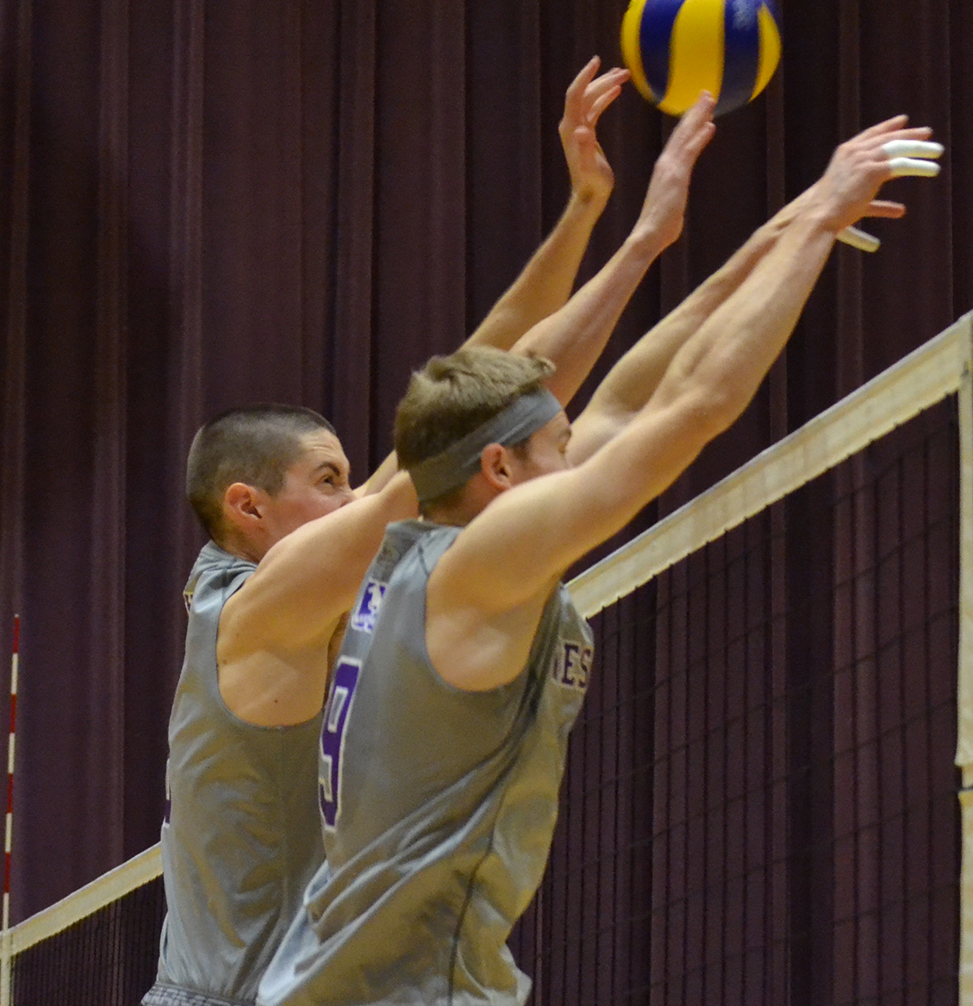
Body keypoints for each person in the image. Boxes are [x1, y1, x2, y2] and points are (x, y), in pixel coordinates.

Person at [256, 107, 940, 1006]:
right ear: (497, 469)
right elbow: (691, 408)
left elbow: (637, 391)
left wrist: (788, 220)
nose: (576, 454)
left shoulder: (416, 554)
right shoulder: (478, 561)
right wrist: (813, 224)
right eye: (559, 446)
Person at [145, 60, 708, 1006]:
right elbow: (481, 416)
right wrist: (642, 245)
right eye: (329, 481)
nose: (356, 492)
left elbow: (477, 378)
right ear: (248, 507)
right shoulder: (257, 609)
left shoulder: (288, 581)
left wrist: (582, 212)